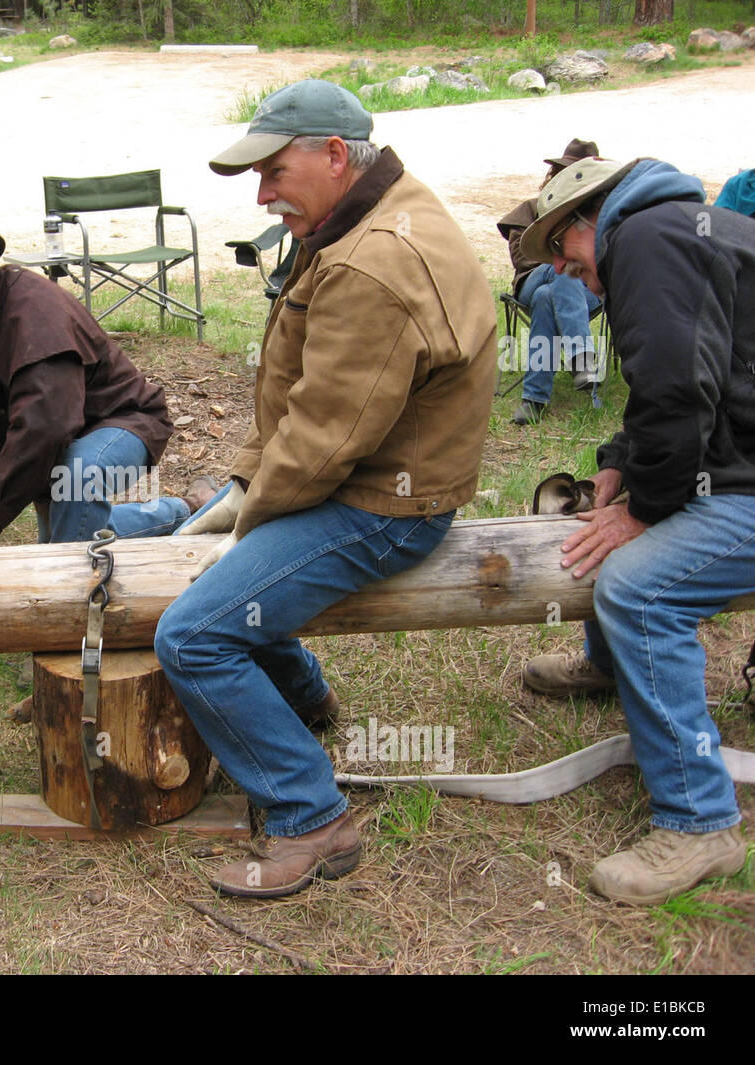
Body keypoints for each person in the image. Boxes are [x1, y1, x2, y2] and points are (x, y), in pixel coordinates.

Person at [153, 80, 497, 898]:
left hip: (384, 505)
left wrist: (250, 526)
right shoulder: (367, 210)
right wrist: (242, 482)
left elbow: (321, 442)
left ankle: (311, 816)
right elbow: (296, 397)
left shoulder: (374, 261)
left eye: (273, 173)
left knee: (192, 634)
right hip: (365, 476)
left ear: (335, 155)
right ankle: (303, 698)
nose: (265, 197)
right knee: (230, 585)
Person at [517, 158, 754, 905]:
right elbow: (677, 380)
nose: (560, 268)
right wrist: (621, 467)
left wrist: (644, 506)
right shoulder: (668, 228)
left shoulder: (646, 240)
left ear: (594, 218)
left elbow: (682, 393)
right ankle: (614, 666)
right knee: (605, 527)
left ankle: (699, 820)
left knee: (637, 587)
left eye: (561, 246)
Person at [0, 204, 210, 546]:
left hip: (121, 422)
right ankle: (190, 508)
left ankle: (72, 598)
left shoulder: (32, 310)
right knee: (74, 533)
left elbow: (46, 426)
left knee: (74, 488)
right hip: (52, 451)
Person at [496, 138, 603, 425]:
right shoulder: (531, 210)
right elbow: (522, 258)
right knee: (560, 273)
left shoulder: (598, 217)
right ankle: (582, 358)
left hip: (585, 290)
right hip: (533, 279)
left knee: (548, 296)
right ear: (554, 175)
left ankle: (534, 400)